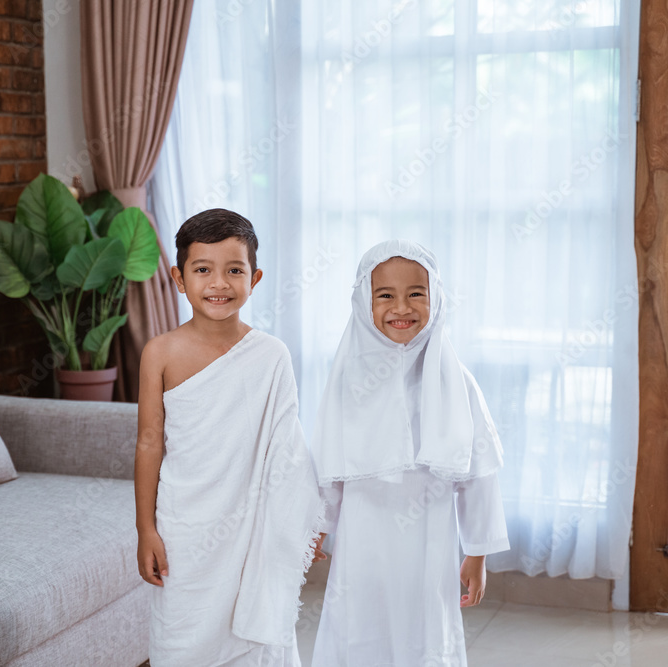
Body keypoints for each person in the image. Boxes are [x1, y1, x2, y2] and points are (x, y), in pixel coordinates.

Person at [135, 208, 324, 666]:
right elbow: (148, 442)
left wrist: (307, 521)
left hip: (249, 527)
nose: (218, 283)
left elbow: (288, 447)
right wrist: (145, 529)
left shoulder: (272, 355)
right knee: (182, 637)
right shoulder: (160, 353)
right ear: (180, 279)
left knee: (251, 646)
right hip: (184, 527)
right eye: (203, 270)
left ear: (254, 278)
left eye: (233, 270)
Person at [310, 239, 510, 666]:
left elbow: (479, 473)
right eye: (385, 295)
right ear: (364, 301)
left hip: (429, 538)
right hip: (362, 539)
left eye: (416, 293)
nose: (401, 307)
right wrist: (318, 525)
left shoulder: (456, 383)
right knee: (358, 624)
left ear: (436, 299)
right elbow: (329, 462)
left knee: (425, 628)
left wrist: (476, 552)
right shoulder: (348, 381)